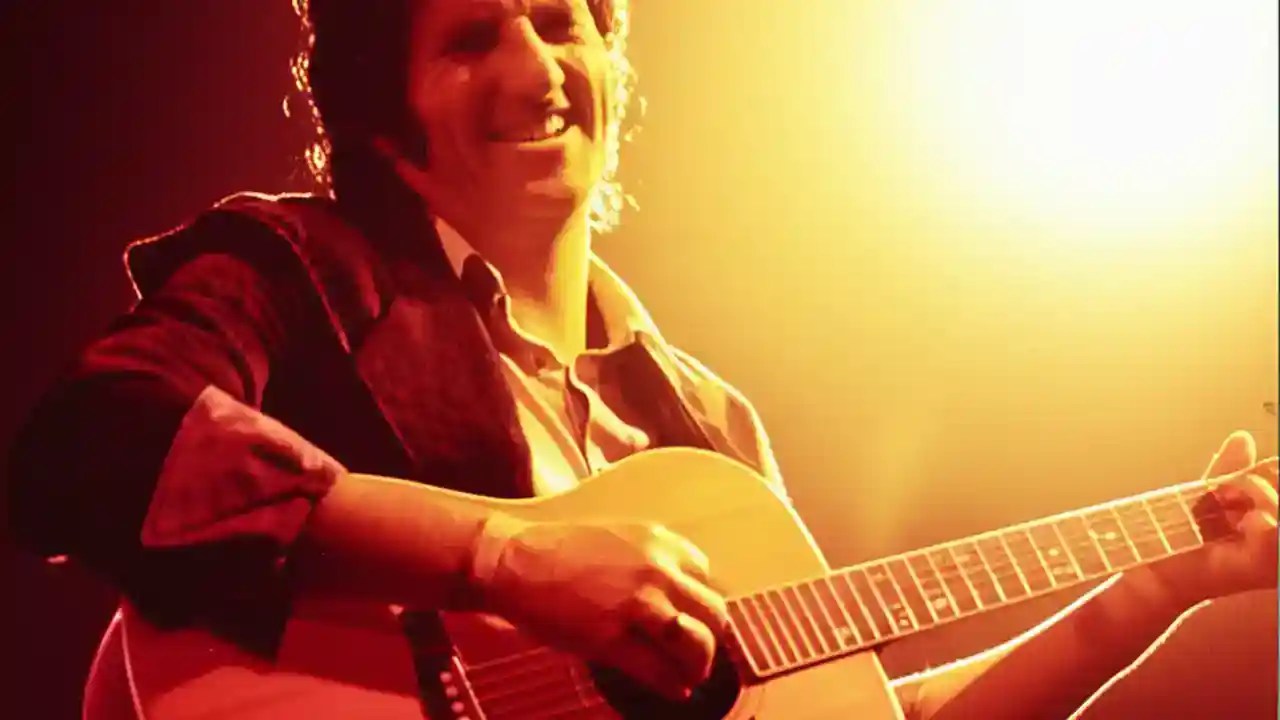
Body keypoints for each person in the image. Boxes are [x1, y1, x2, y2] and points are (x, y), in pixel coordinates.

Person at [7, 1, 1276, 718]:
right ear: (383, 120)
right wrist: (507, 558)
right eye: (466, 38)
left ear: (612, 65)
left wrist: (1146, 589)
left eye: (561, 20)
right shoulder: (300, 272)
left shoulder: (699, 427)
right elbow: (89, 449)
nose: (532, 67)